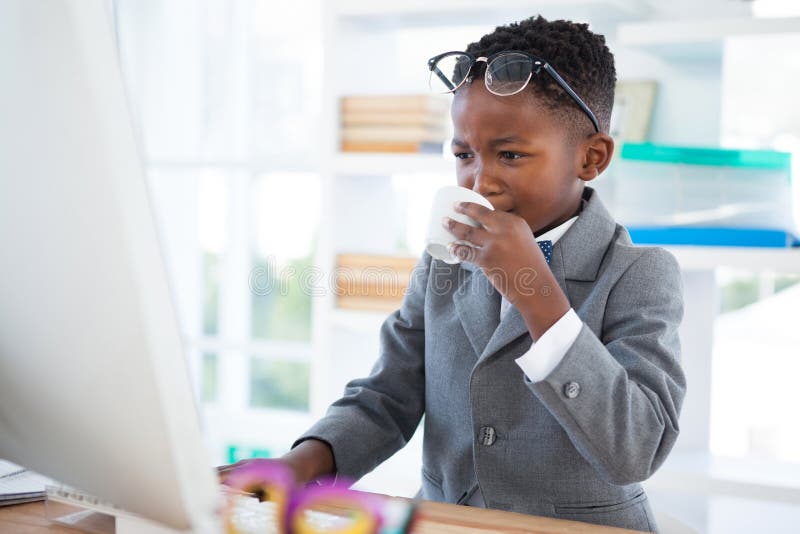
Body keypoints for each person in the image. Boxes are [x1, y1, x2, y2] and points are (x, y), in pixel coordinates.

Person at [223, 15, 685, 532]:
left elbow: (638, 449)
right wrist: (300, 465)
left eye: (510, 154)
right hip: (445, 523)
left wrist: (535, 294)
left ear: (591, 158)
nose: (480, 181)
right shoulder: (446, 258)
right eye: (464, 154)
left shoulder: (639, 274)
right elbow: (387, 395)